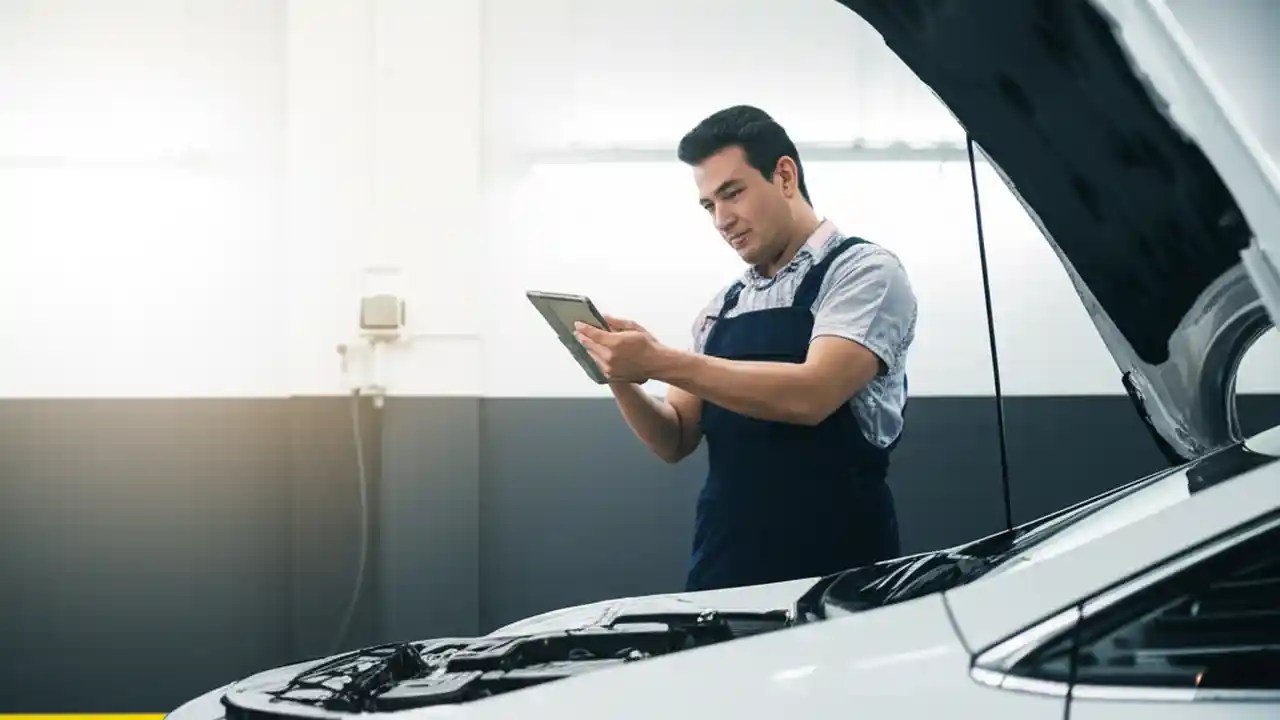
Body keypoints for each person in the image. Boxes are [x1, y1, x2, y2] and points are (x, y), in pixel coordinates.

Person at [573, 105, 917, 592]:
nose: (721, 219)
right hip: (724, 573)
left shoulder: (862, 273)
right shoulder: (723, 307)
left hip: (839, 580)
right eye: (709, 205)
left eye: (732, 194)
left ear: (784, 175)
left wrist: (661, 360)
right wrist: (622, 377)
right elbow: (674, 438)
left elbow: (811, 395)